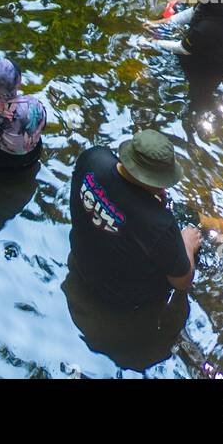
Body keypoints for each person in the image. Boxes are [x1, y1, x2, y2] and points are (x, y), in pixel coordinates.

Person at [69, 128, 202, 309]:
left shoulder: (93, 158)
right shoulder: (159, 223)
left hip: (80, 259)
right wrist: (188, 243)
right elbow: (182, 282)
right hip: (121, 298)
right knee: (195, 246)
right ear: (149, 180)